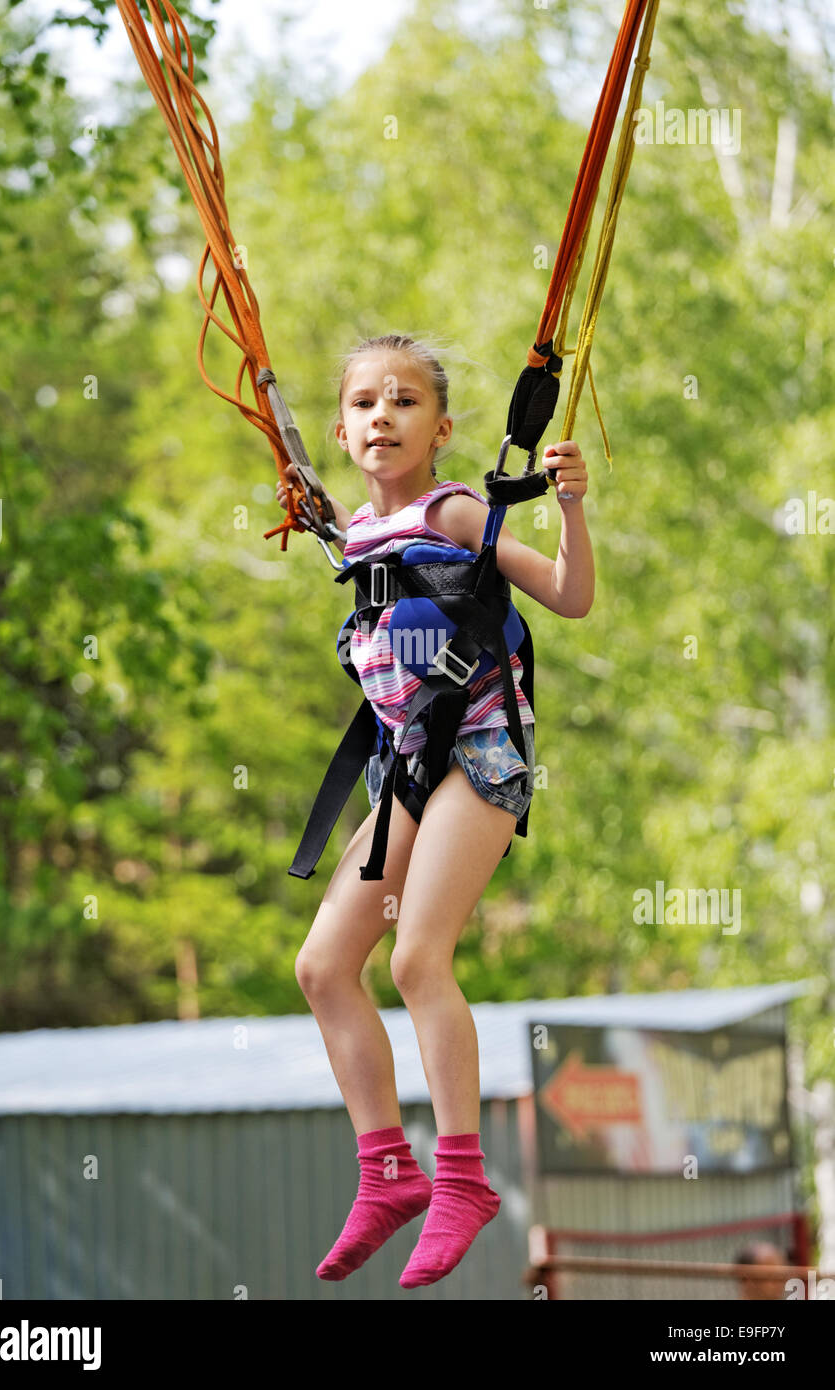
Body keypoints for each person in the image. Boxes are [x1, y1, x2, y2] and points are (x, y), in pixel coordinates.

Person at [276, 333, 593, 1288]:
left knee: (417, 957)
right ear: (340, 430)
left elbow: (570, 597)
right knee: (324, 965)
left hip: (482, 754)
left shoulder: (450, 509)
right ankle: (387, 1174)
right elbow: (329, 507)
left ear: (441, 428)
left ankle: (462, 1177)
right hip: (406, 768)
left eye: (405, 402)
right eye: (365, 403)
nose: (384, 416)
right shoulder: (348, 530)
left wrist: (570, 507)